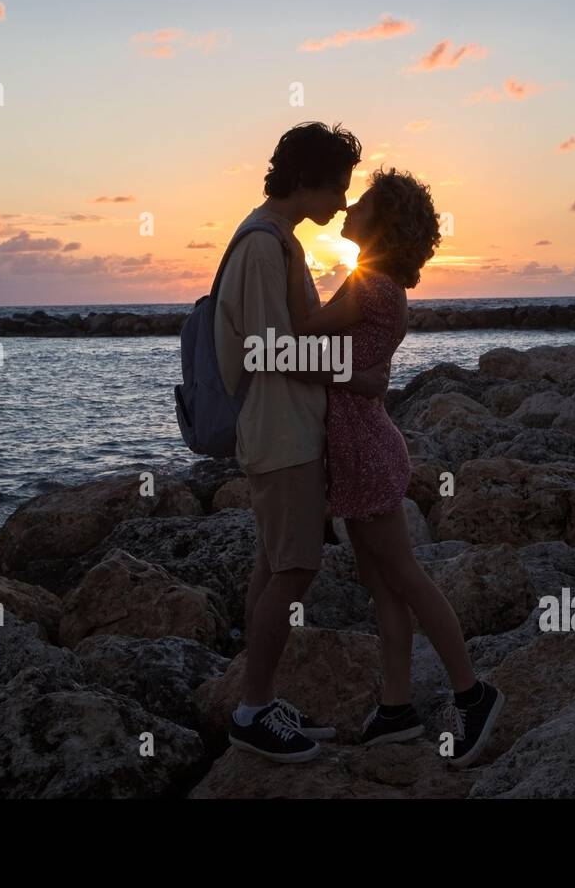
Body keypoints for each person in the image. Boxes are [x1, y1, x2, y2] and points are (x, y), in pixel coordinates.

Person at [283, 167, 505, 769]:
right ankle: (397, 708)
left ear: (379, 224)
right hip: (362, 447)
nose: (349, 206)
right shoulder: (377, 284)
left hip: (365, 449)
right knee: (383, 583)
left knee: (405, 578)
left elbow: (300, 339)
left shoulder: (370, 286)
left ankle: (473, 695)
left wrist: (279, 277)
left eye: (363, 203)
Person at [216, 121, 388, 763]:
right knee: (294, 568)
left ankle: (256, 698)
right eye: (338, 187)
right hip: (279, 430)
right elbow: (269, 348)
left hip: (284, 427)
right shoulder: (264, 246)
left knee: (272, 564)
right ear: (306, 179)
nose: (343, 203)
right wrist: (355, 372)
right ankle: (252, 711)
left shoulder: (273, 239)